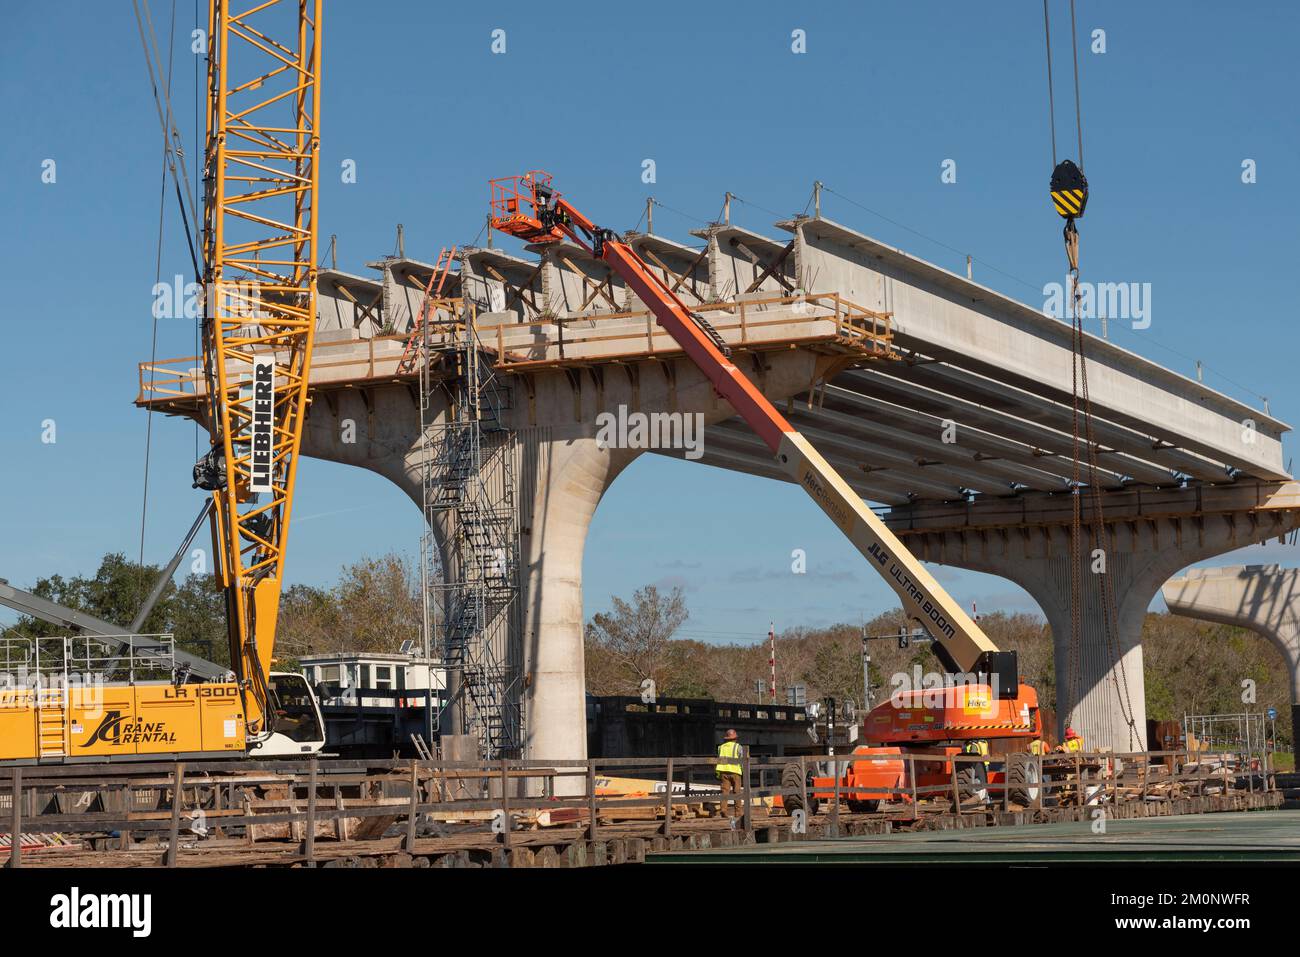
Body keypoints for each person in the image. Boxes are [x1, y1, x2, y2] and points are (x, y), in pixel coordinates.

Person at [715, 729, 744, 818]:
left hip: (723, 771)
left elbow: (718, 759)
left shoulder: (721, 747)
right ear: (735, 738)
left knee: (725, 792)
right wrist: (743, 771)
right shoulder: (738, 747)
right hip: (735, 772)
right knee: (737, 792)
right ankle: (738, 812)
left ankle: (723, 810)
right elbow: (742, 760)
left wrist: (717, 773)